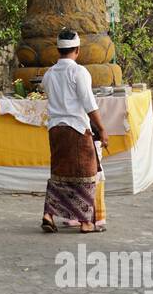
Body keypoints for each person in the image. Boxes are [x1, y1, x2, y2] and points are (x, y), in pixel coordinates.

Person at [41, 28, 108, 233]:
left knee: (59, 173)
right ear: (77, 50)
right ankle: (86, 221)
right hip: (76, 129)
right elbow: (89, 105)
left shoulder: (49, 74)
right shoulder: (79, 72)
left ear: (58, 50)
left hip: (55, 129)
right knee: (86, 173)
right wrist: (102, 129)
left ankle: (49, 214)